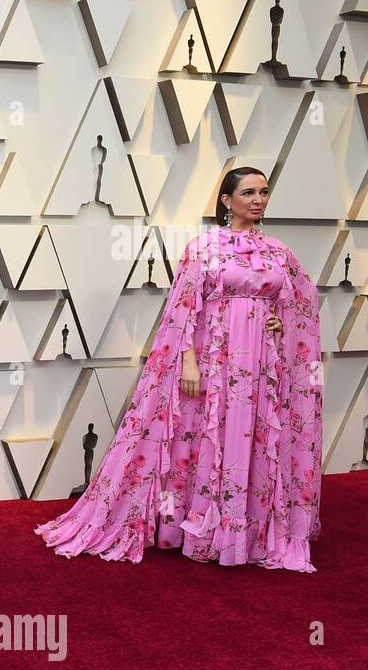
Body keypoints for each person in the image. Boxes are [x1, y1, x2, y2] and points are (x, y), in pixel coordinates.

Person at [35, 168, 322, 571]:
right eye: (248, 193)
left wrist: (280, 319)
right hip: (212, 360)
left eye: (264, 192)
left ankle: (245, 534)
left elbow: (301, 299)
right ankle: (194, 528)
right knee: (203, 437)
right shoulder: (203, 247)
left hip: (259, 366)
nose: (258, 200)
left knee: (250, 436)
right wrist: (188, 362)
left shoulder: (277, 251)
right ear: (226, 200)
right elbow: (183, 308)